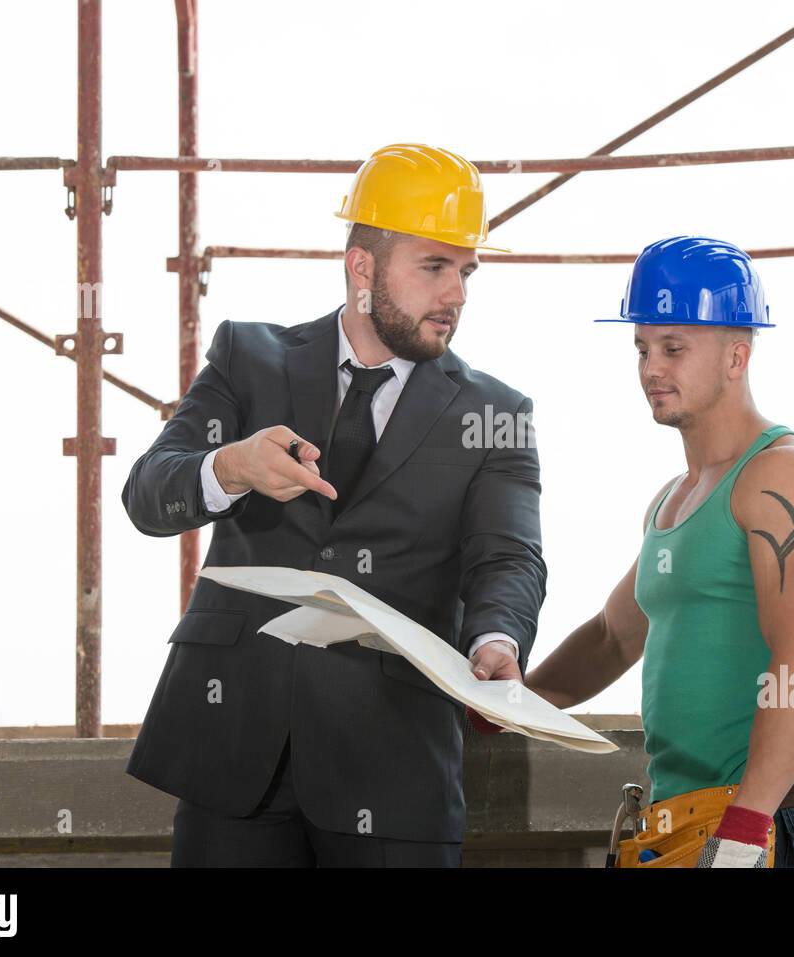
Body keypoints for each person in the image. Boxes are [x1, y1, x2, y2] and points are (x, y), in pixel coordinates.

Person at [120, 143, 546, 867]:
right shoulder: (246, 357)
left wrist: (495, 641)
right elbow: (148, 493)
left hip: (394, 764)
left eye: (466, 270)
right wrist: (232, 465)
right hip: (234, 759)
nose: (457, 294)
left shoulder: (496, 412)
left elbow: (506, 557)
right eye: (435, 266)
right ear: (363, 266)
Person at [523, 236, 794, 868]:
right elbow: (612, 639)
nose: (652, 368)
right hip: (676, 823)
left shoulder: (785, 476)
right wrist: (512, 705)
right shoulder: (670, 502)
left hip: (764, 824)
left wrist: (747, 826)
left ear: (738, 355)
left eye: (674, 348)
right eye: (642, 348)